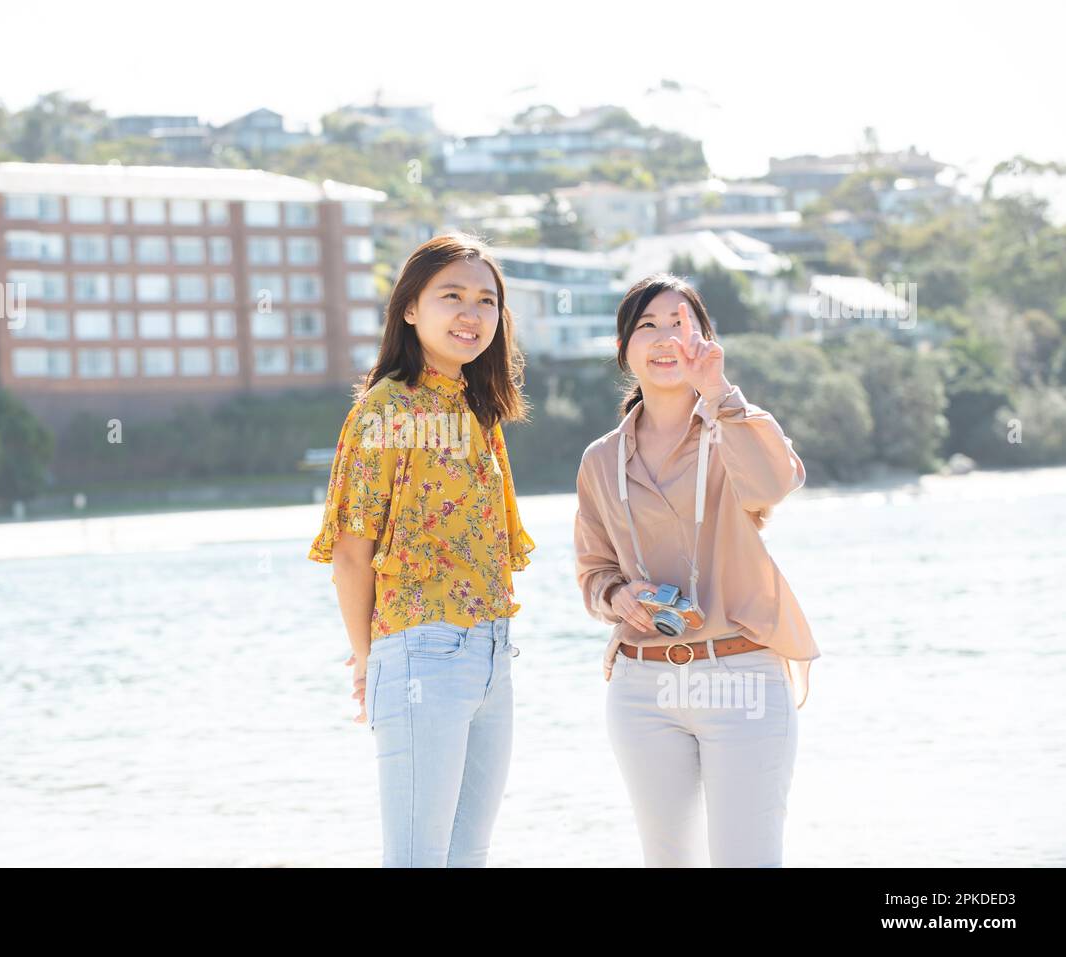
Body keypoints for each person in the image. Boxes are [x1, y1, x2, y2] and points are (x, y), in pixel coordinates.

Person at [573, 272, 820, 867]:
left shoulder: (734, 423)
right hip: (641, 686)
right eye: (647, 326)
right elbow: (592, 570)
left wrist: (720, 395)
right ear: (623, 349)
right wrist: (619, 595)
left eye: (679, 325)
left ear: (706, 340)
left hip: (742, 675)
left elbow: (774, 485)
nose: (664, 339)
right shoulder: (601, 460)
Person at [309, 232, 534, 867]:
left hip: (493, 652)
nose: (472, 314)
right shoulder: (387, 406)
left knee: (468, 856)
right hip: (420, 656)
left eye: (486, 301)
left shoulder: (478, 408)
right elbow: (351, 554)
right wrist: (366, 660)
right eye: (452, 296)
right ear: (411, 307)